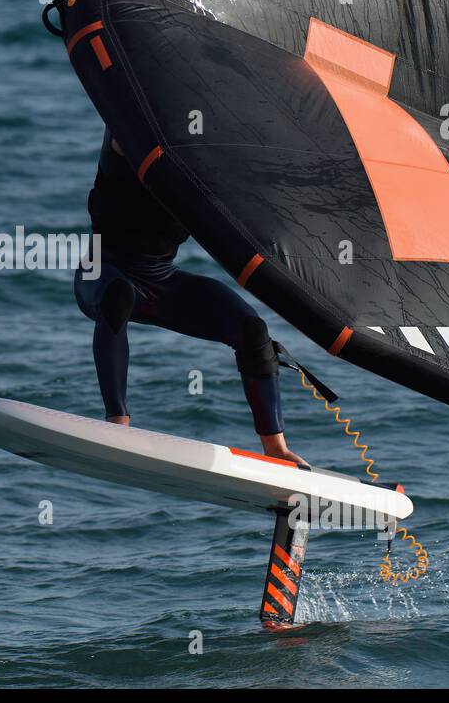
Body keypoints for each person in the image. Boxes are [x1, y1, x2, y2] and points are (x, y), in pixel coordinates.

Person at [74, 130, 305, 466]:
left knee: (252, 329)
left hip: (161, 282)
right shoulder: (127, 135)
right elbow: (127, 122)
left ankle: (275, 448)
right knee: (119, 294)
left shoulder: (200, 165)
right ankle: (117, 424)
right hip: (101, 276)